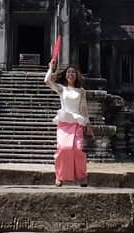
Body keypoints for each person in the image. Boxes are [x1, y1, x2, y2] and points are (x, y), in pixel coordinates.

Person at [44, 58, 93, 186]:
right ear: (65, 75)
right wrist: (51, 68)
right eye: (68, 72)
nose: (70, 74)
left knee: (77, 149)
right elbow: (47, 81)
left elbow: (84, 109)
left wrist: (88, 125)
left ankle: (82, 177)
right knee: (63, 148)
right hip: (64, 123)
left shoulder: (81, 91)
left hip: (76, 122)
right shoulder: (61, 89)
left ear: (76, 76)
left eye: (73, 72)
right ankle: (59, 176)